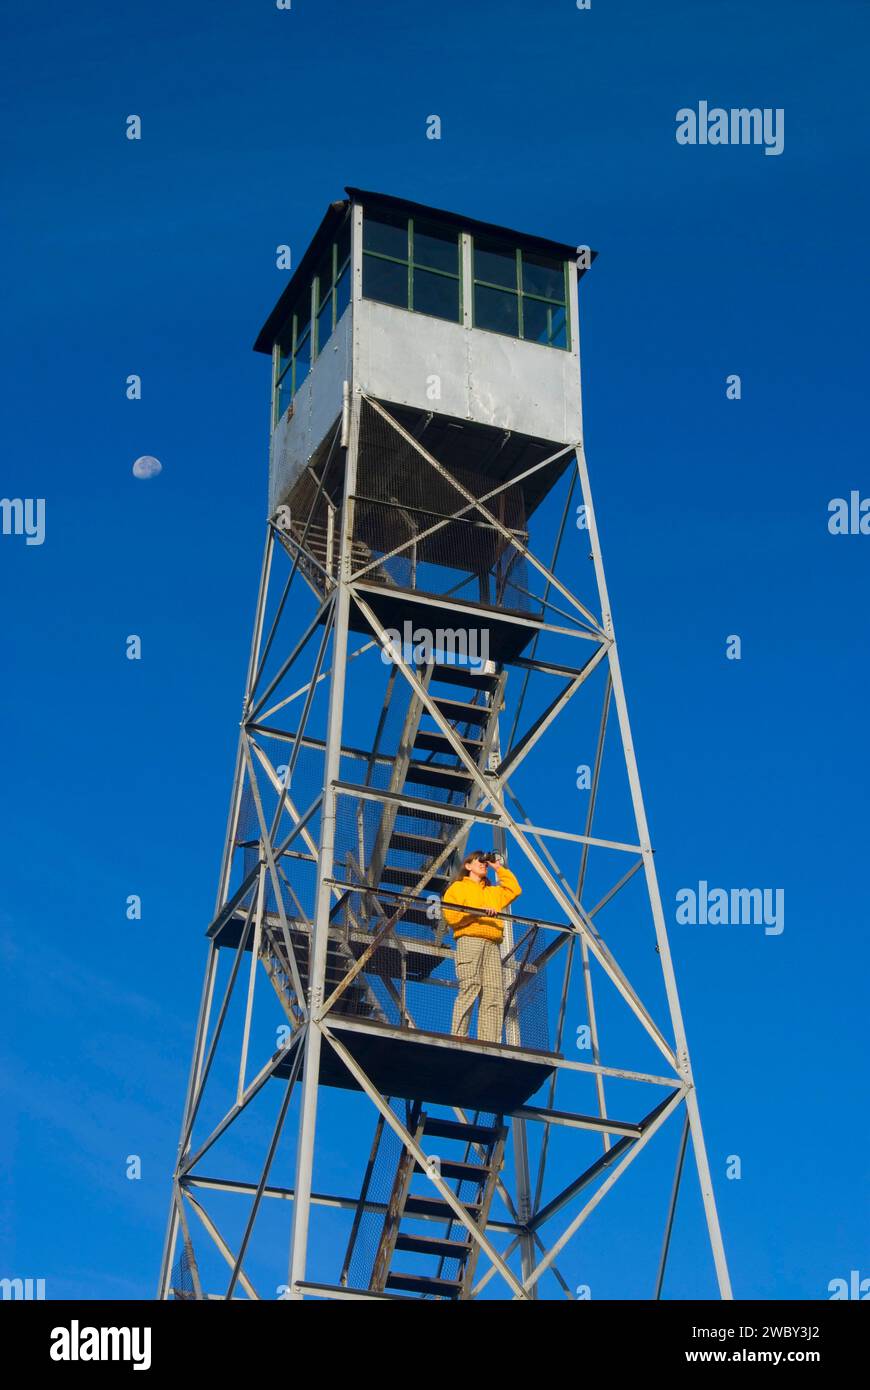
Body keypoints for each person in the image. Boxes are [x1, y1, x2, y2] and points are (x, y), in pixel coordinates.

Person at [441, 850, 521, 1044]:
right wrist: (474, 913)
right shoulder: (457, 888)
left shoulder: (493, 892)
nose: (483, 864)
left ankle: (489, 1042)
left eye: (484, 863)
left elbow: (514, 889)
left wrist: (497, 867)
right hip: (470, 939)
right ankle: (459, 1037)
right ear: (467, 866)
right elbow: (451, 917)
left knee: (494, 993)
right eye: (479, 861)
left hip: (492, 943)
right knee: (470, 986)